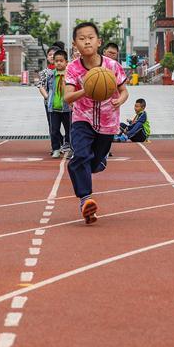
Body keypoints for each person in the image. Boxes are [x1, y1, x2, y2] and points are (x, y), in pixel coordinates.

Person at [64, 22, 129, 224]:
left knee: (93, 164)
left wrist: (121, 99)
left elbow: (124, 90)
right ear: (75, 44)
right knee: (80, 156)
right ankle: (86, 199)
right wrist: (87, 89)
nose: (87, 41)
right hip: (82, 119)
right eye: (81, 38)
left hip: (108, 122)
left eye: (90, 37)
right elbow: (67, 98)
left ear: (99, 41)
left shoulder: (112, 66)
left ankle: (98, 160)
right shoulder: (73, 68)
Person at [43, 49, 72, 158]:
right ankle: (56, 148)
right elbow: (45, 87)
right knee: (54, 130)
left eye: (61, 61)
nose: (59, 63)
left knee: (69, 130)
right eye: (56, 61)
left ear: (66, 62)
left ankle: (69, 147)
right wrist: (47, 99)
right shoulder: (50, 75)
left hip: (67, 108)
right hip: (53, 108)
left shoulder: (69, 75)